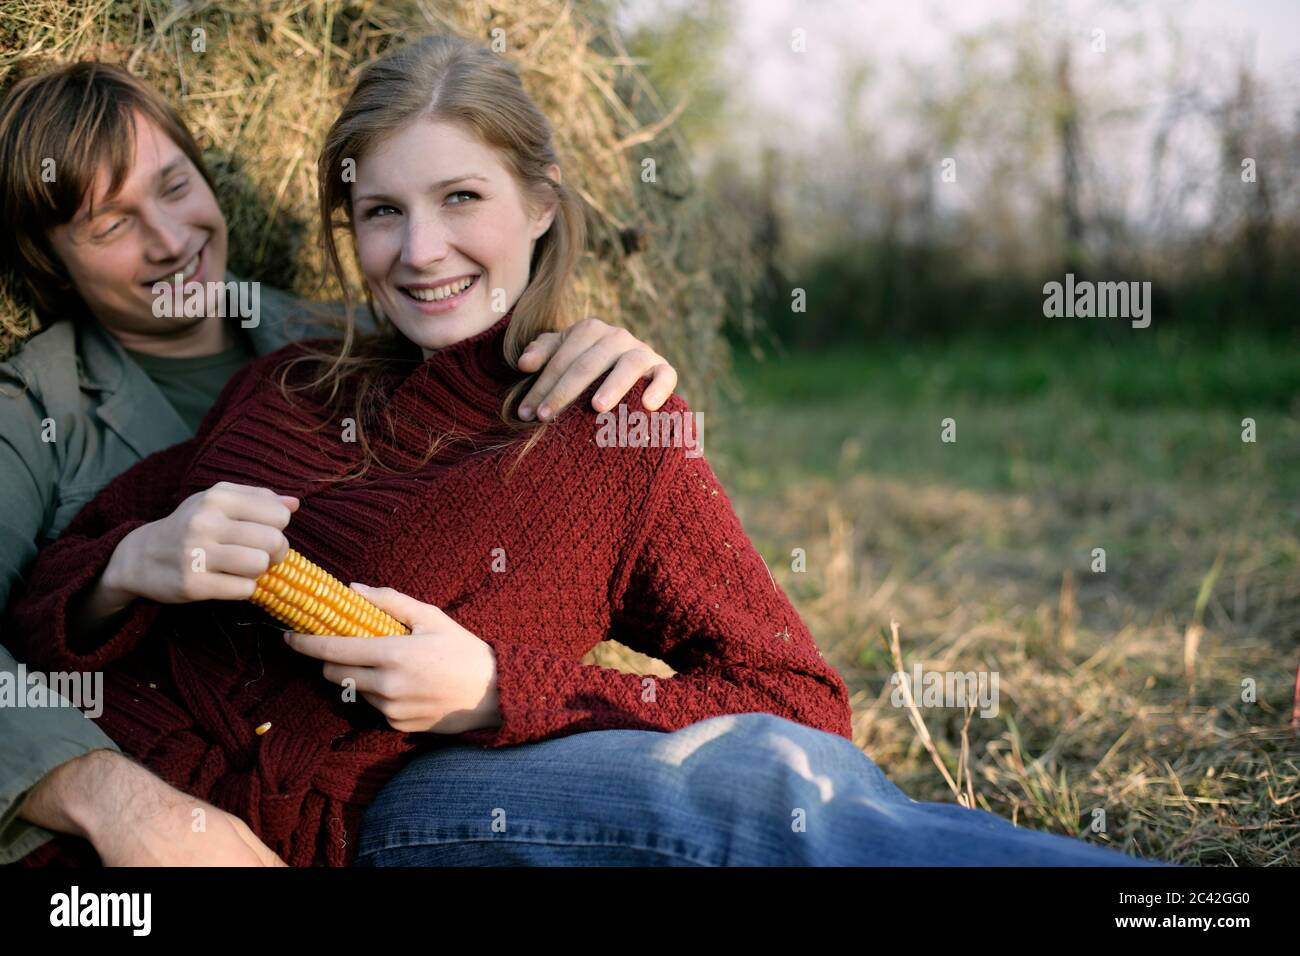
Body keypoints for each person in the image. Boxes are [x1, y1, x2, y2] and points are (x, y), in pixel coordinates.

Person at [7, 39, 1159, 868]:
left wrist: (501, 690)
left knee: (761, 782)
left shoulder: (615, 428)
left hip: (401, 809)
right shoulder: (290, 379)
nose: (422, 251)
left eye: (463, 197)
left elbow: (796, 696)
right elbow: (52, 587)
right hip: (145, 817)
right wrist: (130, 564)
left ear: (543, 202)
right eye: (382, 213)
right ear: (344, 228)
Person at [0, 61, 681, 866]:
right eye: (110, 225)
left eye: (175, 186)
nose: (170, 239)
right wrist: (108, 787)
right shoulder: (31, 411)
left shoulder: (347, 347)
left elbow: (481, 348)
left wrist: (586, 356)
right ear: (50, 260)